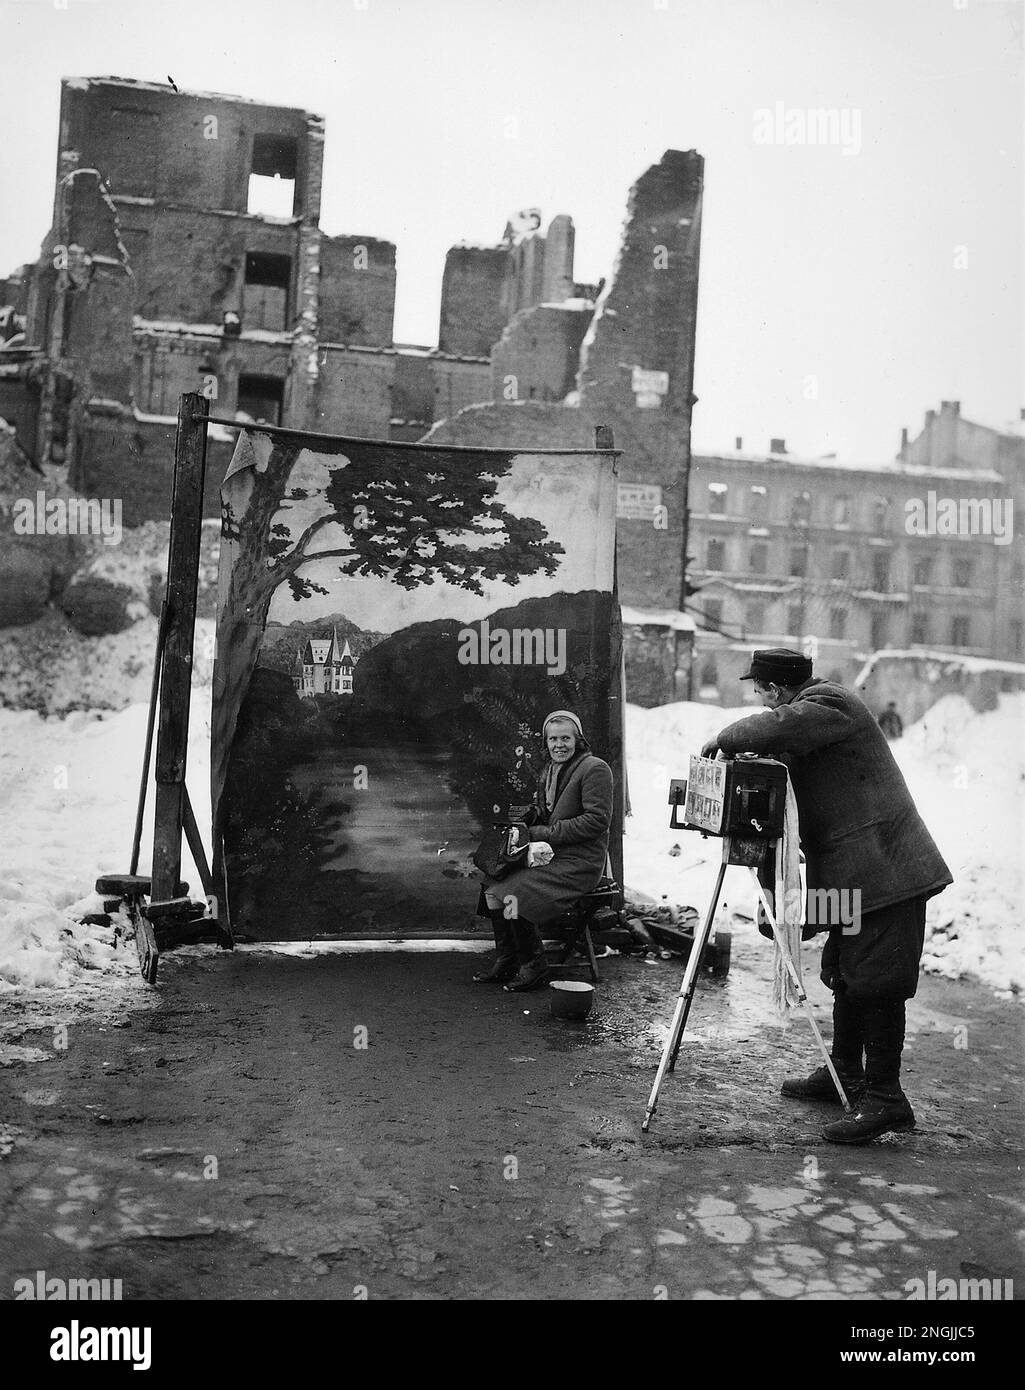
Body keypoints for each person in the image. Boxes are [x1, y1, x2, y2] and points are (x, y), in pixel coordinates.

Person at [700, 649, 952, 1145]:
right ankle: (845, 1073)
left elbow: (781, 726)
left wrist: (725, 738)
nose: (760, 700)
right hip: (854, 878)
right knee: (843, 971)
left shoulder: (831, 704)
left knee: (876, 981)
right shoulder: (810, 727)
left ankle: (886, 1099)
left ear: (773, 690)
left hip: (889, 875)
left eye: (760, 690)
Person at [473, 709, 614, 992]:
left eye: (565, 738)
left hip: (579, 862)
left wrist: (543, 832)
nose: (559, 745)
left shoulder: (594, 769)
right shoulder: (551, 770)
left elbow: (597, 821)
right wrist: (528, 818)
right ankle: (508, 960)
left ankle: (534, 966)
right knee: (492, 883)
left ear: (579, 740)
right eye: (553, 739)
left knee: (511, 891)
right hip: (553, 854)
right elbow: (548, 810)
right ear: (546, 742)